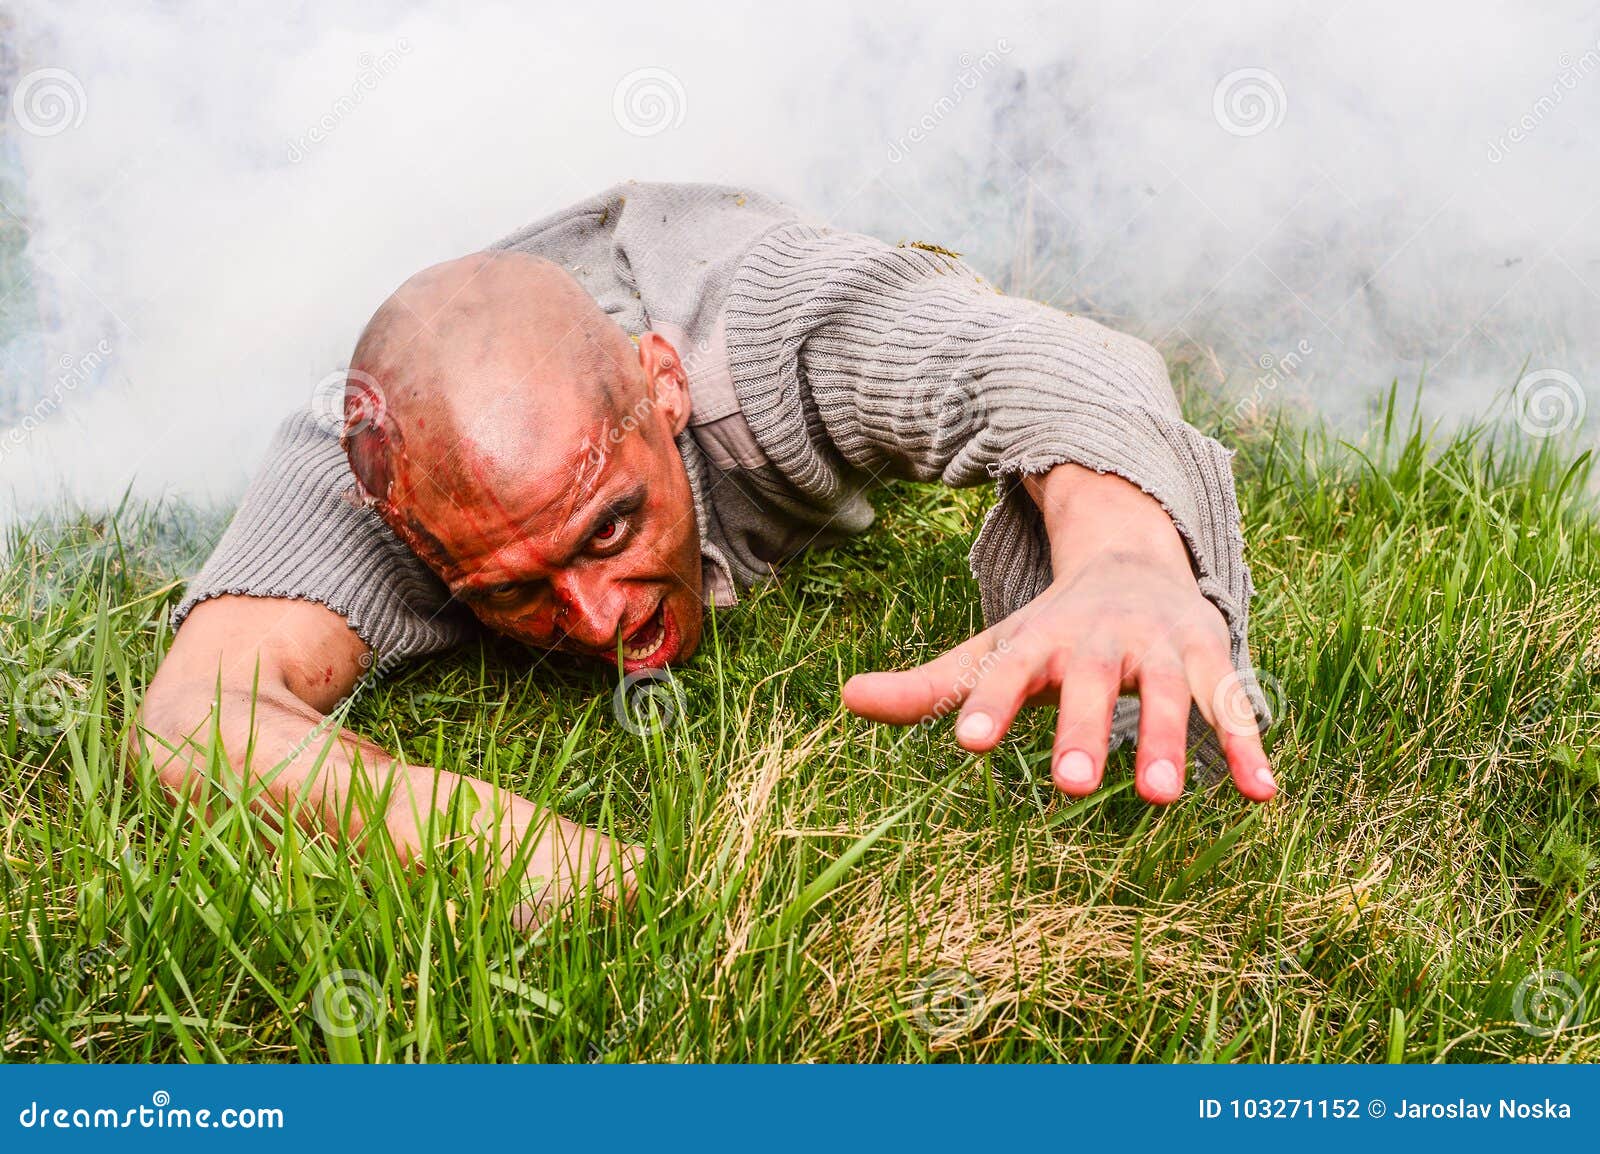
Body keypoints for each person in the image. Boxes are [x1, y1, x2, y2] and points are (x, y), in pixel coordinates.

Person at [139, 181, 1275, 915]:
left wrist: (1123, 561)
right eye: (514, 587)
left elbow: (1054, 365)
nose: (593, 620)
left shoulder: (764, 321)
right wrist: (474, 830)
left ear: (663, 386)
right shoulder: (381, 471)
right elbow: (196, 715)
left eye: (608, 528)